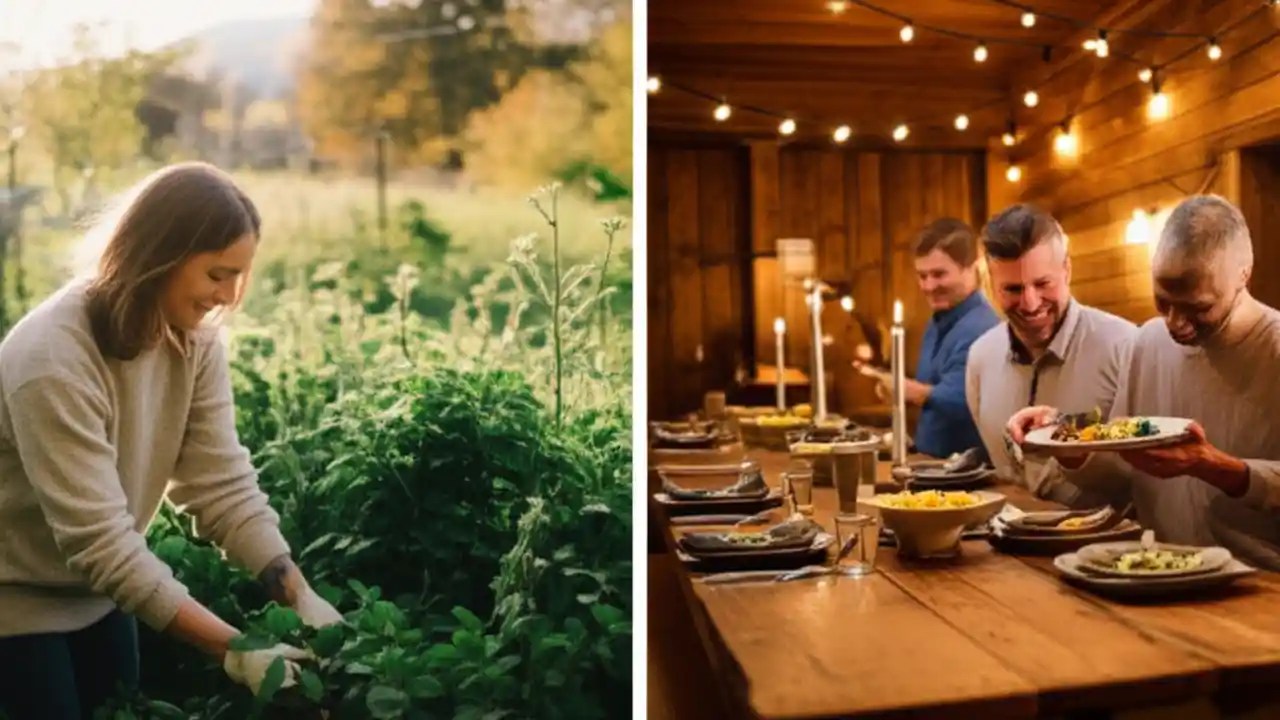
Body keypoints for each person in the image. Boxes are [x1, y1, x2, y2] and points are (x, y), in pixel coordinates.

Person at [0, 162, 345, 719]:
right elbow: (101, 543)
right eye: (216, 274)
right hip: (14, 604)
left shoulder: (192, 340)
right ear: (158, 255)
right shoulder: (52, 361)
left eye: (240, 275)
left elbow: (221, 483)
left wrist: (298, 592)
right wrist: (237, 653)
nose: (229, 295)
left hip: (103, 598)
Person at [1008, 194, 1280, 570]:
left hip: (1260, 585)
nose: (1174, 323)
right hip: (1155, 570)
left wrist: (1213, 465)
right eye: (1162, 301)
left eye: (1198, 308)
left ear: (1243, 275)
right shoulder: (1147, 342)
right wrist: (1069, 439)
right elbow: (1122, 468)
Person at [964, 204, 1136, 506]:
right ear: (991, 284)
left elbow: (1147, 476)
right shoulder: (980, 358)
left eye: (1043, 284)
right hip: (1004, 548)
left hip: (1104, 548)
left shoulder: (1127, 347)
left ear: (1067, 270)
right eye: (1013, 289)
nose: (1030, 304)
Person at [858, 217, 999, 458]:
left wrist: (911, 391)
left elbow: (967, 401)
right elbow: (933, 388)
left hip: (968, 475)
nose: (928, 286)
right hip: (931, 462)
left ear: (971, 268)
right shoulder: (938, 321)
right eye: (922, 276)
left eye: (939, 274)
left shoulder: (983, 328)